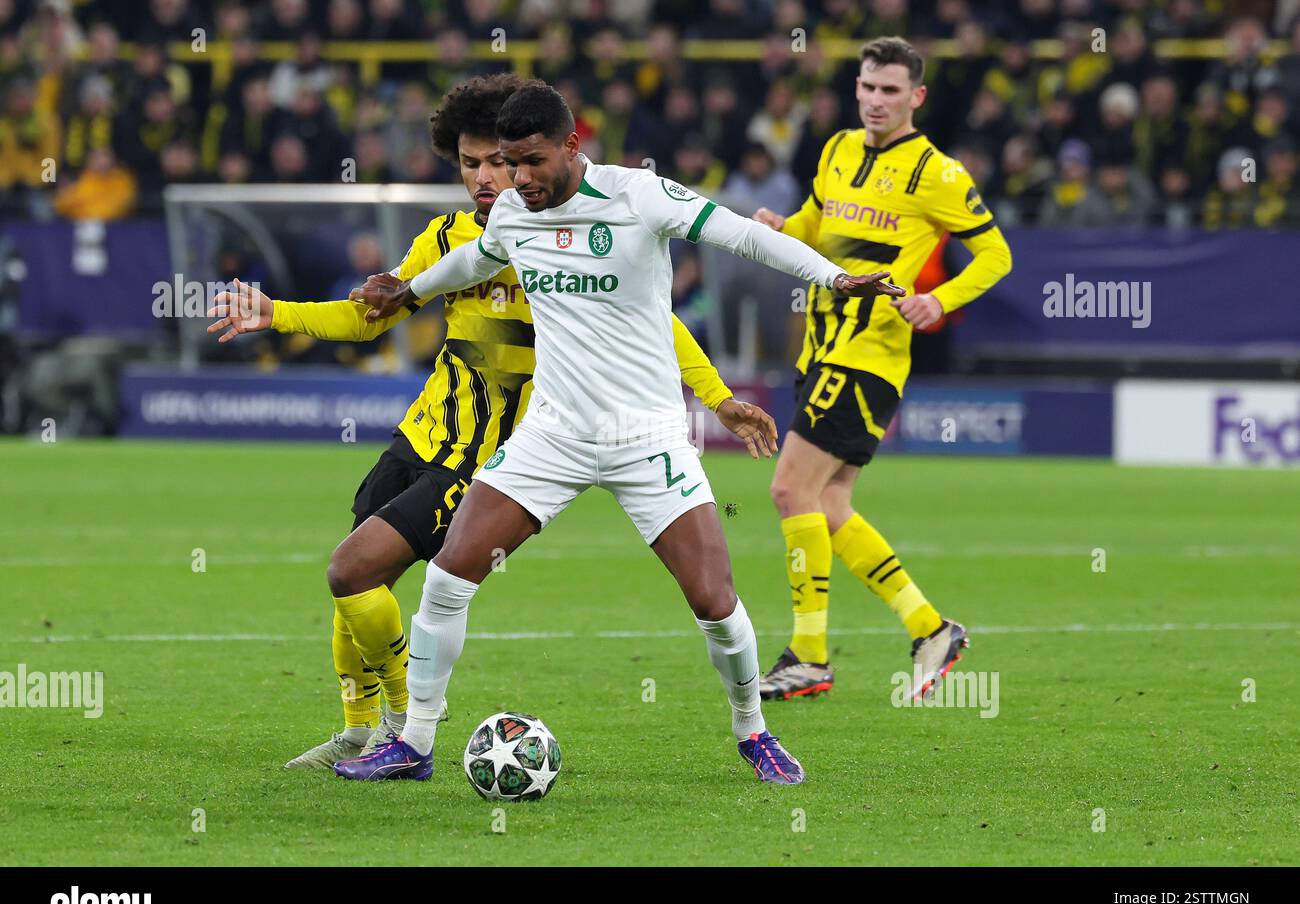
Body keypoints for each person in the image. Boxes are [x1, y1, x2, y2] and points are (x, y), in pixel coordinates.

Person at [335, 79, 903, 785]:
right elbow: (476, 260)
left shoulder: (641, 196)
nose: (519, 179)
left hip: (648, 439)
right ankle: (415, 744)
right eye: (509, 163)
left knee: (714, 604)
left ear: (573, 146)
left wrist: (835, 277)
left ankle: (753, 730)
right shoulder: (513, 210)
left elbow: (744, 234)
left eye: (534, 161)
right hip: (554, 435)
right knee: (449, 577)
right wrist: (410, 289)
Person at [206, 74, 778, 770]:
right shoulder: (446, 236)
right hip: (422, 437)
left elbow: (655, 328)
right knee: (358, 583)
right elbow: (371, 313)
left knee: (355, 570)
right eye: (469, 164)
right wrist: (277, 313)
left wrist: (717, 398)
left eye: (498, 163)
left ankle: (405, 726)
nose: (484, 178)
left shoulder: (561, 235)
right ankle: (358, 733)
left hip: (492, 457)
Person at [752, 36, 1013, 701]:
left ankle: (809, 655)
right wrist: (784, 227)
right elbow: (820, 222)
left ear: (915, 97)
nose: (875, 100)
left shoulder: (939, 173)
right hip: (820, 345)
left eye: (890, 90)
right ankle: (930, 629)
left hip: (867, 355)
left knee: (790, 490)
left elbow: (996, 257)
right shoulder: (838, 148)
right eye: (867, 87)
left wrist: (939, 299)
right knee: (829, 502)